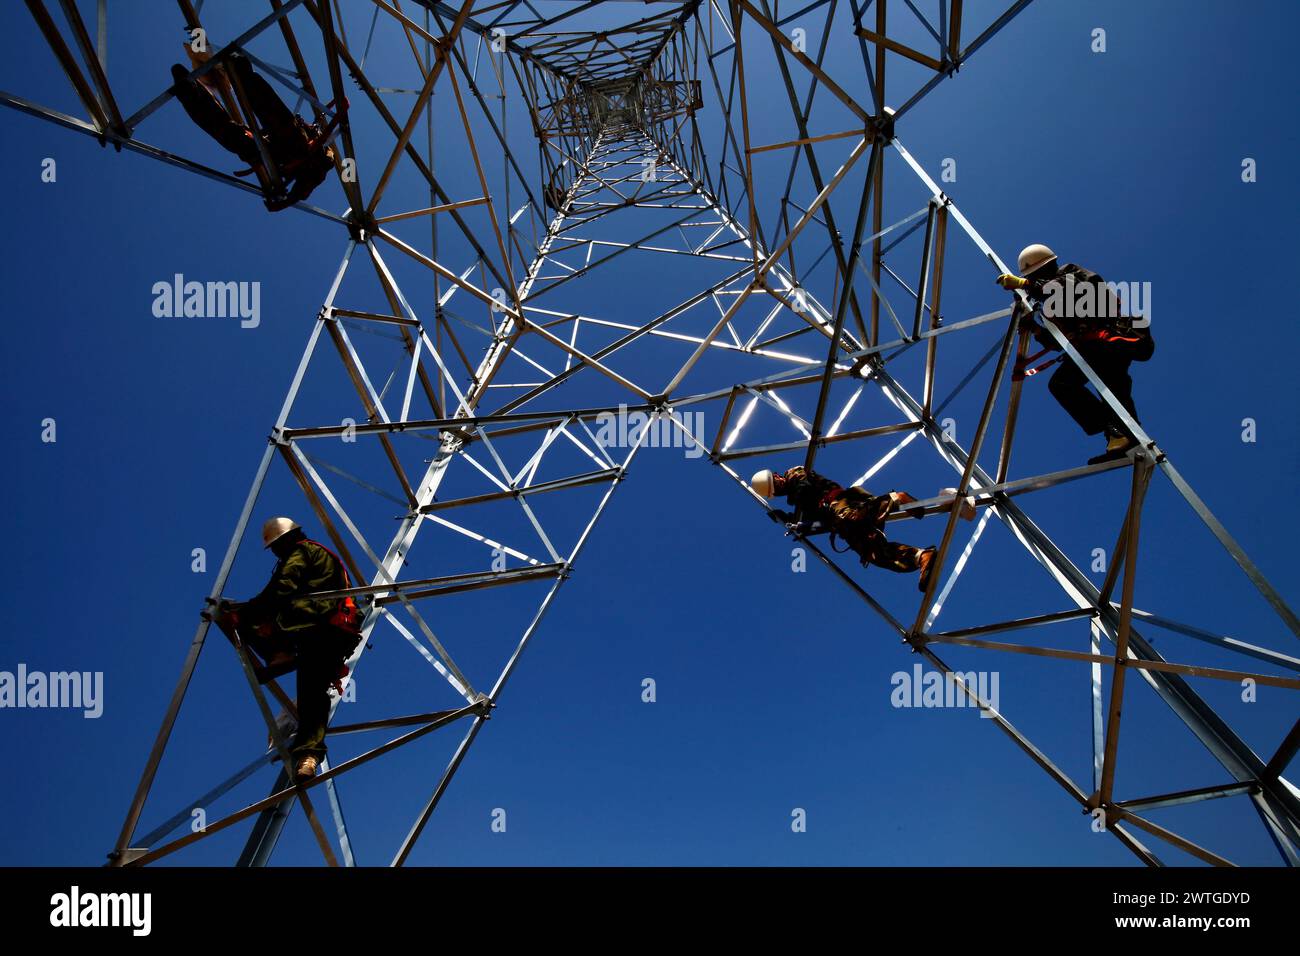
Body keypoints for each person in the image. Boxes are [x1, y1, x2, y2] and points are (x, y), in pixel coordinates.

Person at [220, 518, 362, 781]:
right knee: (312, 693)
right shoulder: (314, 553)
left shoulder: (301, 552)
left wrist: (245, 613)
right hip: (332, 632)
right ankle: (308, 756)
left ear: (285, 540)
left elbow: (281, 590)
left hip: (316, 625)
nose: (274, 552)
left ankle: (280, 654)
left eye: (275, 546)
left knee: (251, 623)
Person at [997, 243, 1155, 464]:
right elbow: (1059, 341)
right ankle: (1117, 433)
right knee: (1063, 384)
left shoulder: (1072, 273)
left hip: (1109, 339)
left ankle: (1124, 433)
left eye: (1038, 275)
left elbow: (1067, 288)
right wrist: (1035, 329)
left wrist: (1026, 284)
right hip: (1089, 349)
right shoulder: (1050, 305)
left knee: (1112, 382)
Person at [169, 50, 337, 212]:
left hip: (279, 149)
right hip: (287, 140)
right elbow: (314, 155)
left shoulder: (312, 169)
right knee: (273, 115)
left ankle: (192, 93)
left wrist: (281, 202)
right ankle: (238, 69)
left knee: (236, 138)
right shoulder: (318, 159)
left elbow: (301, 189)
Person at [752, 466, 937, 591]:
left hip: (837, 503)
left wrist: (800, 519)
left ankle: (896, 498)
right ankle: (921, 557)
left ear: (776, 476)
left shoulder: (794, 474)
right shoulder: (798, 501)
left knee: (850, 517)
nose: (779, 489)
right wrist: (791, 520)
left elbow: (805, 489)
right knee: (874, 554)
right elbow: (814, 517)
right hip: (838, 524)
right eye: (775, 491)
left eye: (776, 484)